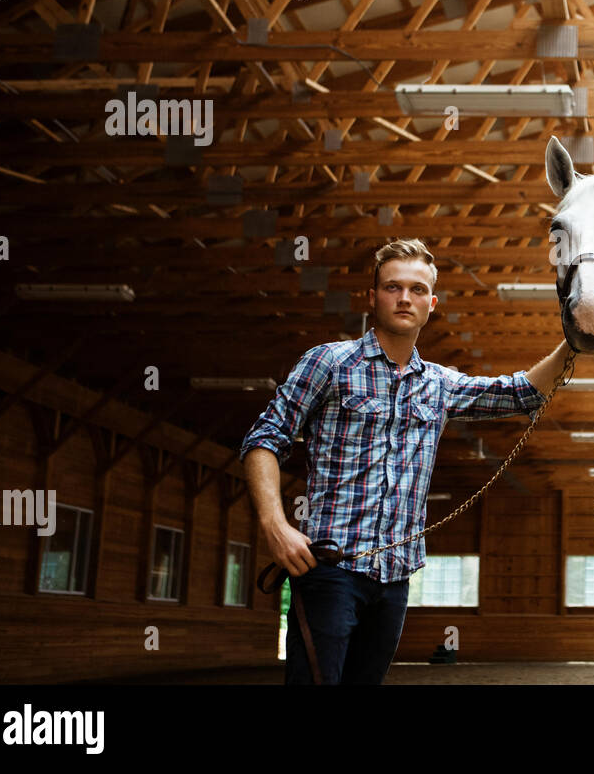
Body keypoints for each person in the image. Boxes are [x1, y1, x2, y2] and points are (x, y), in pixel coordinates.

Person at [240, 238, 571, 684]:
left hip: (394, 580)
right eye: (392, 287)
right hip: (330, 570)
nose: (404, 298)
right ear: (372, 297)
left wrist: (573, 340)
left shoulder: (439, 384)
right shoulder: (329, 363)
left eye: (417, 289)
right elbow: (264, 437)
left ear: (431, 304)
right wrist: (275, 526)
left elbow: (518, 393)